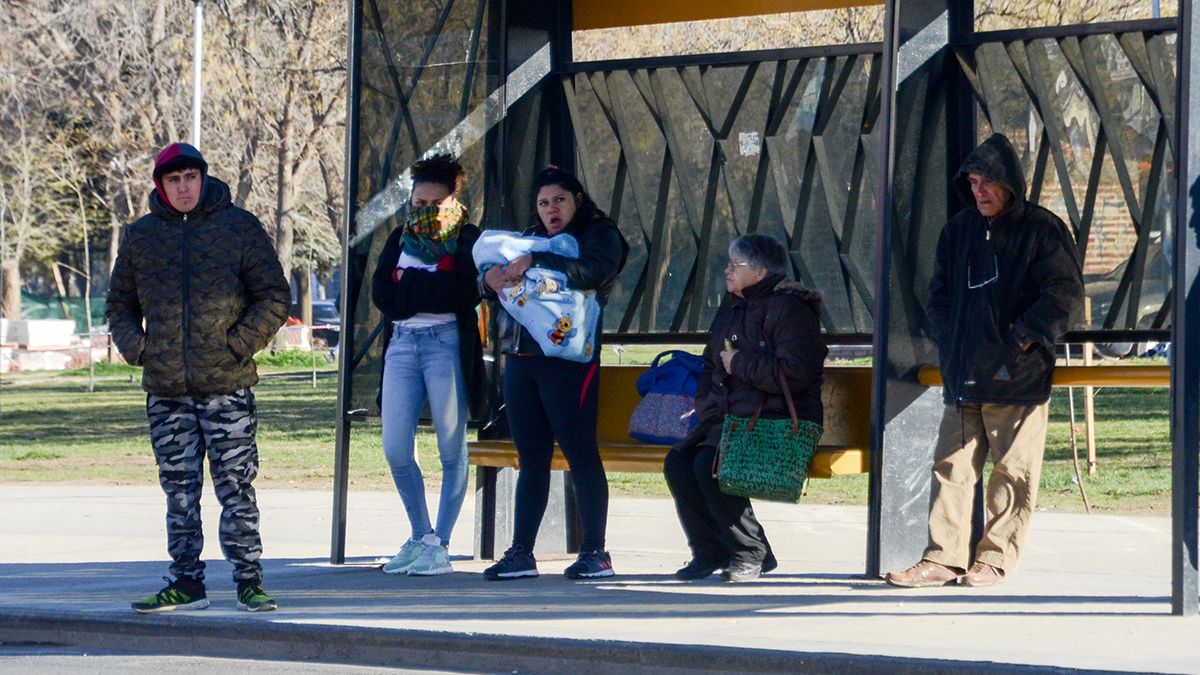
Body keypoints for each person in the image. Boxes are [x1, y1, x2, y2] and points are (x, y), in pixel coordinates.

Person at [885, 133, 1082, 589]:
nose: (980, 191)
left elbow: (1065, 296)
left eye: (988, 182)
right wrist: (951, 339)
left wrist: (1021, 341)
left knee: (1012, 473)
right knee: (950, 468)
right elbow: (937, 295)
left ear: (1010, 184)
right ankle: (942, 559)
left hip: (1018, 376)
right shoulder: (958, 231)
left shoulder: (1042, 229)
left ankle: (995, 560)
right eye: (973, 183)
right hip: (964, 373)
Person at [106, 142, 290, 613]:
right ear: (161, 185)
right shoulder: (141, 236)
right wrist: (138, 348)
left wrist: (236, 345)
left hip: (227, 388)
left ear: (203, 178)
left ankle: (249, 581)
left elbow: (273, 296)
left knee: (236, 488)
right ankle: (186, 583)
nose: (184, 187)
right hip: (167, 392)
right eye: (174, 180)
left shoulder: (238, 227)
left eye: (191, 177)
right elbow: (119, 304)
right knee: (180, 493)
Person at [478, 166, 628, 581]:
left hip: (569, 361)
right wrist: (488, 278)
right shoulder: (530, 237)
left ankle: (595, 552)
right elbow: (496, 276)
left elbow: (594, 271)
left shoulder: (600, 233)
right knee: (532, 458)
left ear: (577, 199)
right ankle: (521, 552)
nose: (551, 210)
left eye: (559, 200)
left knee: (580, 453)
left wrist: (537, 260)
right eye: (543, 203)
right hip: (521, 358)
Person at [663, 234, 826, 582]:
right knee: (678, 462)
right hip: (730, 417)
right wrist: (707, 405)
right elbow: (711, 363)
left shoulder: (790, 309)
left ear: (760, 272)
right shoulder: (733, 305)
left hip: (776, 419)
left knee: (711, 464)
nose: (727, 271)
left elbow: (796, 374)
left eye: (734, 265)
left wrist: (739, 364)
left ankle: (751, 553)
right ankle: (710, 551)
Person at [371, 154, 484, 576]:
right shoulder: (400, 237)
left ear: (453, 199)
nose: (425, 212)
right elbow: (383, 295)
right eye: (418, 203)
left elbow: (461, 293)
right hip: (402, 345)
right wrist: (423, 288)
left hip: (445, 344)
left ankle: (440, 543)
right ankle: (420, 535)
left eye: (435, 204)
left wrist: (410, 285)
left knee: (451, 448)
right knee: (396, 448)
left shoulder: (467, 238)